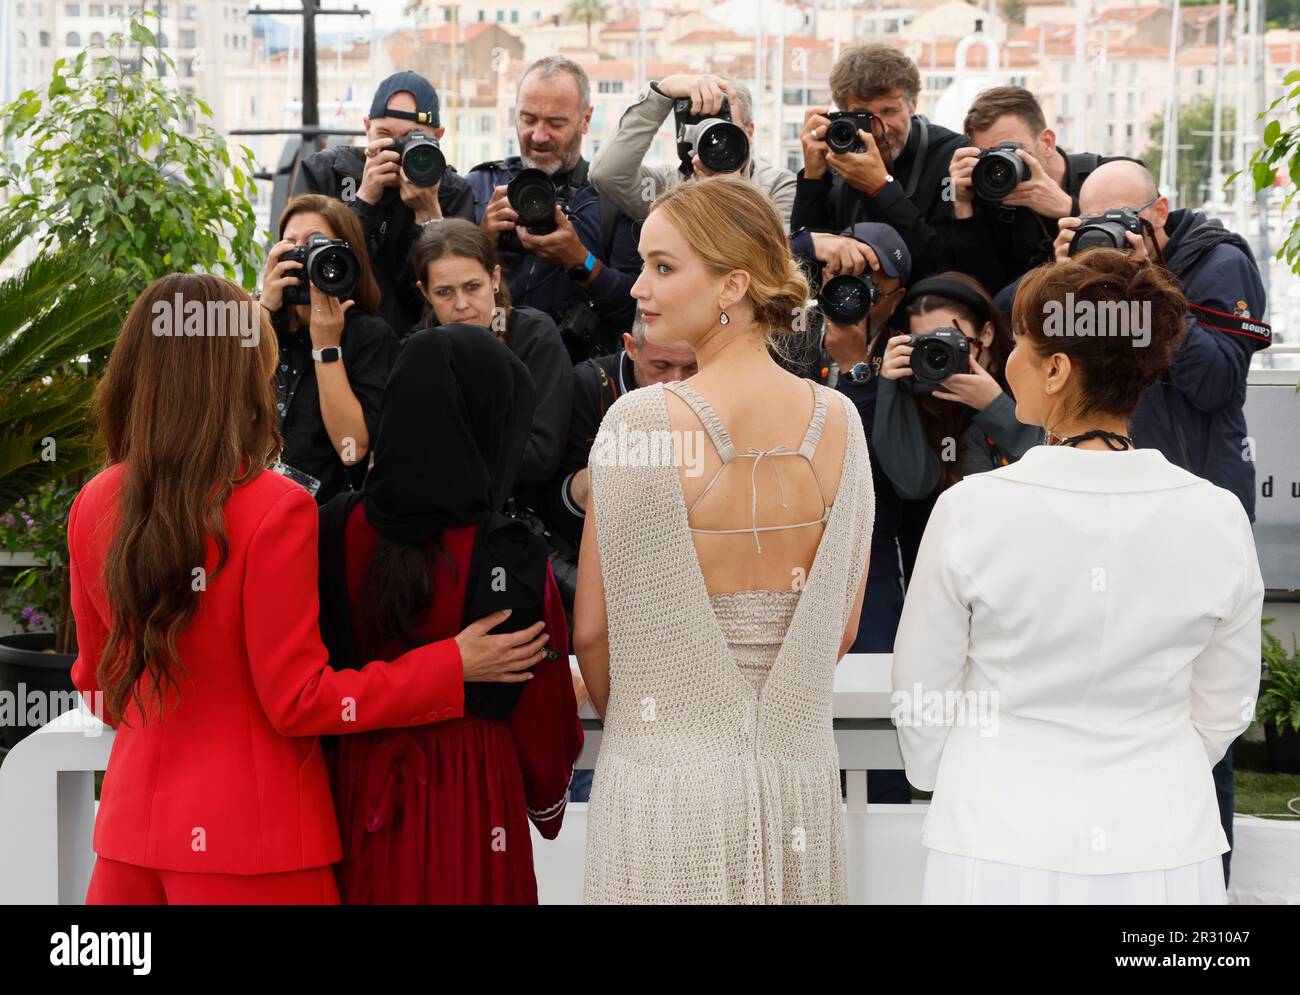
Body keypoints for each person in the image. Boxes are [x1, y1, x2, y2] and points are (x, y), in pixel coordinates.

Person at [69, 274, 545, 904]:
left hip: (129, 843)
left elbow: (100, 687)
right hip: (258, 850)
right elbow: (299, 700)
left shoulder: (96, 500)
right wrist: (450, 665)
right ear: (240, 376)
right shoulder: (275, 508)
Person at [892, 249, 1263, 904]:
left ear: (1057, 369)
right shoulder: (1216, 516)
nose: (1005, 359)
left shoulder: (972, 510)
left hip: (995, 831)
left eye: (1021, 344)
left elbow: (923, 687)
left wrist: (957, 772)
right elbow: (1226, 702)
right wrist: (1155, 768)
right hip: (1163, 838)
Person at [575, 175, 875, 904]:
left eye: (664, 266)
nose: (639, 287)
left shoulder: (639, 424)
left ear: (733, 284)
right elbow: (838, 627)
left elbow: (592, 630)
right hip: (800, 787)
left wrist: (661, 722)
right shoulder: (840, 422)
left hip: (662, 793)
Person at [1050, 161, 1272, 883]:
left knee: (1199, 712)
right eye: (1096, 224)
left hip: (1195, 514)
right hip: (1105, 512)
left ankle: (1207, 892)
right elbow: (1050, 367)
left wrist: (1153, 284)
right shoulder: (1087, 275)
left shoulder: (1217, 261)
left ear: (1162, 212)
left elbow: (1213, 380)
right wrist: (1068, 282)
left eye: (1127, 221)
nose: (1114, 238)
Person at [316, 324, 583, 904]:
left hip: (357, 789)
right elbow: (542, 711)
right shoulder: (510, 557)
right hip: (473, 796)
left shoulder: (332, 529)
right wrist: (545, 799)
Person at [468, 56, 641, 357]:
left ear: (586, 120)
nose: (538, 136)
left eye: (555, 123)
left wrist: (580, 260)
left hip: (579, 382)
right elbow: (436, 294)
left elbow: (634, 311)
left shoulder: (613, 199)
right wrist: (480, 243)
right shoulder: (480, 187)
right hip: (486, 367)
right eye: (528, 119)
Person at [294, 72, 477, 335]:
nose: (396, 149)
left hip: (423, 339)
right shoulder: (327, 172)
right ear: (367, 128)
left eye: (411, 137)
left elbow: (456, 294)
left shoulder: (452, 190)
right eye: (385, 135)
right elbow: (313, 271)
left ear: (438, 136)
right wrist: (364, 201)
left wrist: (429, 215)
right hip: (341, 332)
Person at [411, 218, 574, 500]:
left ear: (495, 278)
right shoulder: (415, 349)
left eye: (472, 286)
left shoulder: (534, 335)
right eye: (445, 292)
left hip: (519, 517)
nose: (461, 304)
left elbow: (538, 457)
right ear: (425, 292)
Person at [263, 194, 400, 503]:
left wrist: (326, 346)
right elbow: (220, 409)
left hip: (325, 518)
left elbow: (351, 449)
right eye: (291, 245)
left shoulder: (369, 336)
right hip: (254, 513)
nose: (302, 258)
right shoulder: (262, 327)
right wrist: (263, 312)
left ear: (345, 255)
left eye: (316, 245)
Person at [792, 44, 964, 282]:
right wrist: (813, 178)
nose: (878, 128)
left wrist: (881, 189)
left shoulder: (951, 156)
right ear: (843, 114)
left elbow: (947, 267)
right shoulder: (838, 150)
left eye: (889, 111)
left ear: (913, 105)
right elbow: (804, 269)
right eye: (863, 116)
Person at [874, 272, 1042, 502]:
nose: (938, 354)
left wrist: (995, 406)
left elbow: (1056, 465)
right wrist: (891, 385)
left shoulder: (1028, 381)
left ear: (986, 334)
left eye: (948, 340)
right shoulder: (922, 392)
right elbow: (914, 484)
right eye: (926, 344)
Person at [946, 86, 1105, 295]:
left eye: (1011, 150)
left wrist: (1070, 208)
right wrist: (961, 205)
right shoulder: (989, 195)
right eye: (989, 155)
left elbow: (1142, 258)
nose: (1001, 164)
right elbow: (983, 294)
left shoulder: (1104, 176)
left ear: (1047, 142)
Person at [589, 73, 797, 227]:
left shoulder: (777, 187)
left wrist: (731, 195)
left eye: (724, 125)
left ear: (749, 132)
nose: (712, 136)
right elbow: (607, 174)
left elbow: (775, 261)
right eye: (701, 123)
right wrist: (661, 93)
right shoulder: (666, 187)